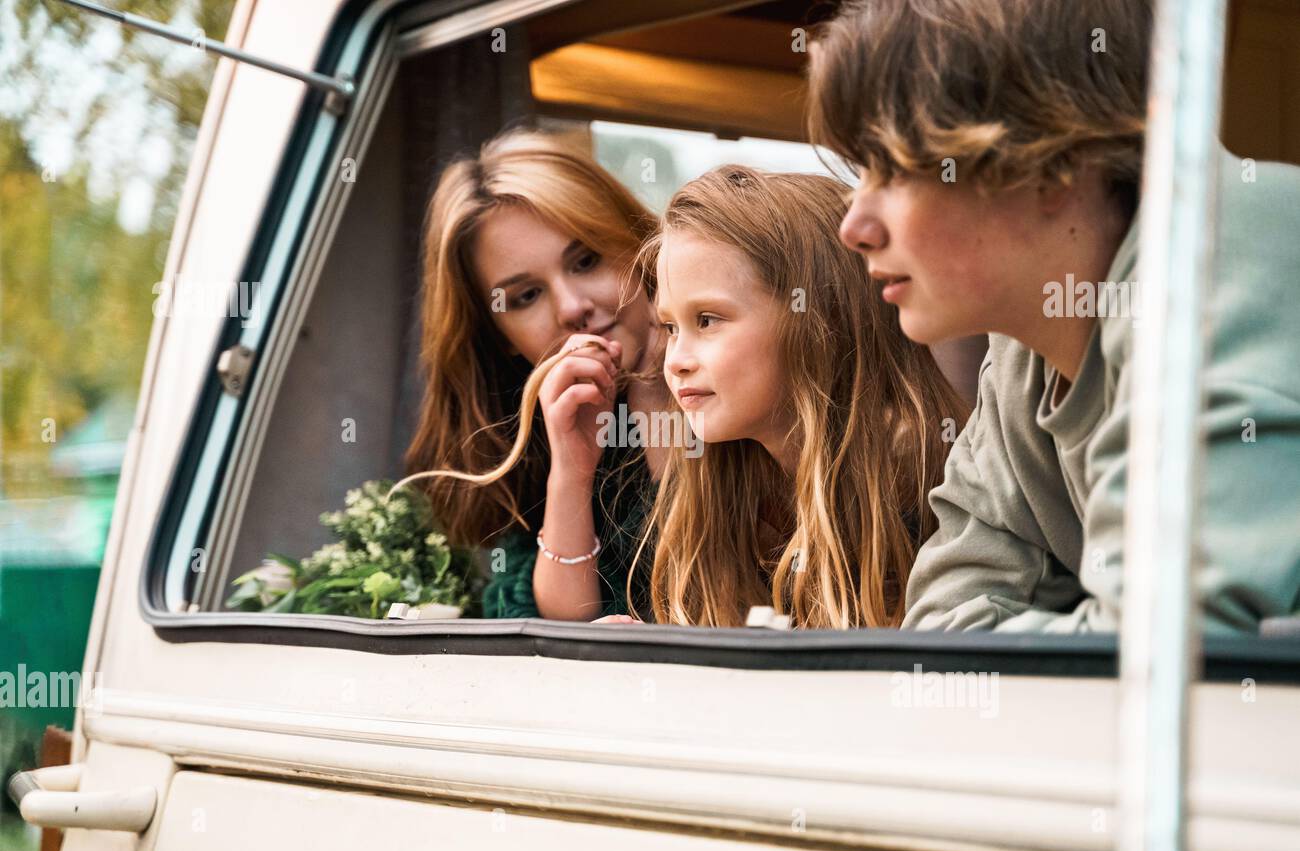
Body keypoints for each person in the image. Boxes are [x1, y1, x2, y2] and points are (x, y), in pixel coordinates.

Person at [808, 0, 1300, 635]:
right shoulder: (1030, 341)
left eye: (894, 169)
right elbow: (941, 619)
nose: (854, 228)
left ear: (1054, 159)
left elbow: (1168, 656)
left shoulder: (1219, 245)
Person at [621, 166, 966, 628]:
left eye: (707, 320)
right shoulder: (719, 474)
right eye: (670, 327)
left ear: (818, 320)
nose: (676, 360)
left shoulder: (919, 471)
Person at [399, 129, 666, 621]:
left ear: (635, 242)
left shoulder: (741, 388)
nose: (572, 308)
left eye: (586, 260)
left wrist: (656, 393)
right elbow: (546, 628)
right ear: (499, 333)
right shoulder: (526, 444)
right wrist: (571, 470)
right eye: (525, 296)